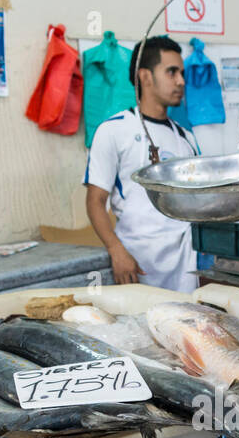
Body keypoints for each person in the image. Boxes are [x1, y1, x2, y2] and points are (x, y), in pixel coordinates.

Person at [84, 35, 201, 293]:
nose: (181, 81)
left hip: (185, 264)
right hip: (136, 262)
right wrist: (115, 250)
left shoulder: (186, 138)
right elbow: (95, 202)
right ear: (145, 76)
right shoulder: (113, 131)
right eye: (172, 72)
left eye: (181, 73)